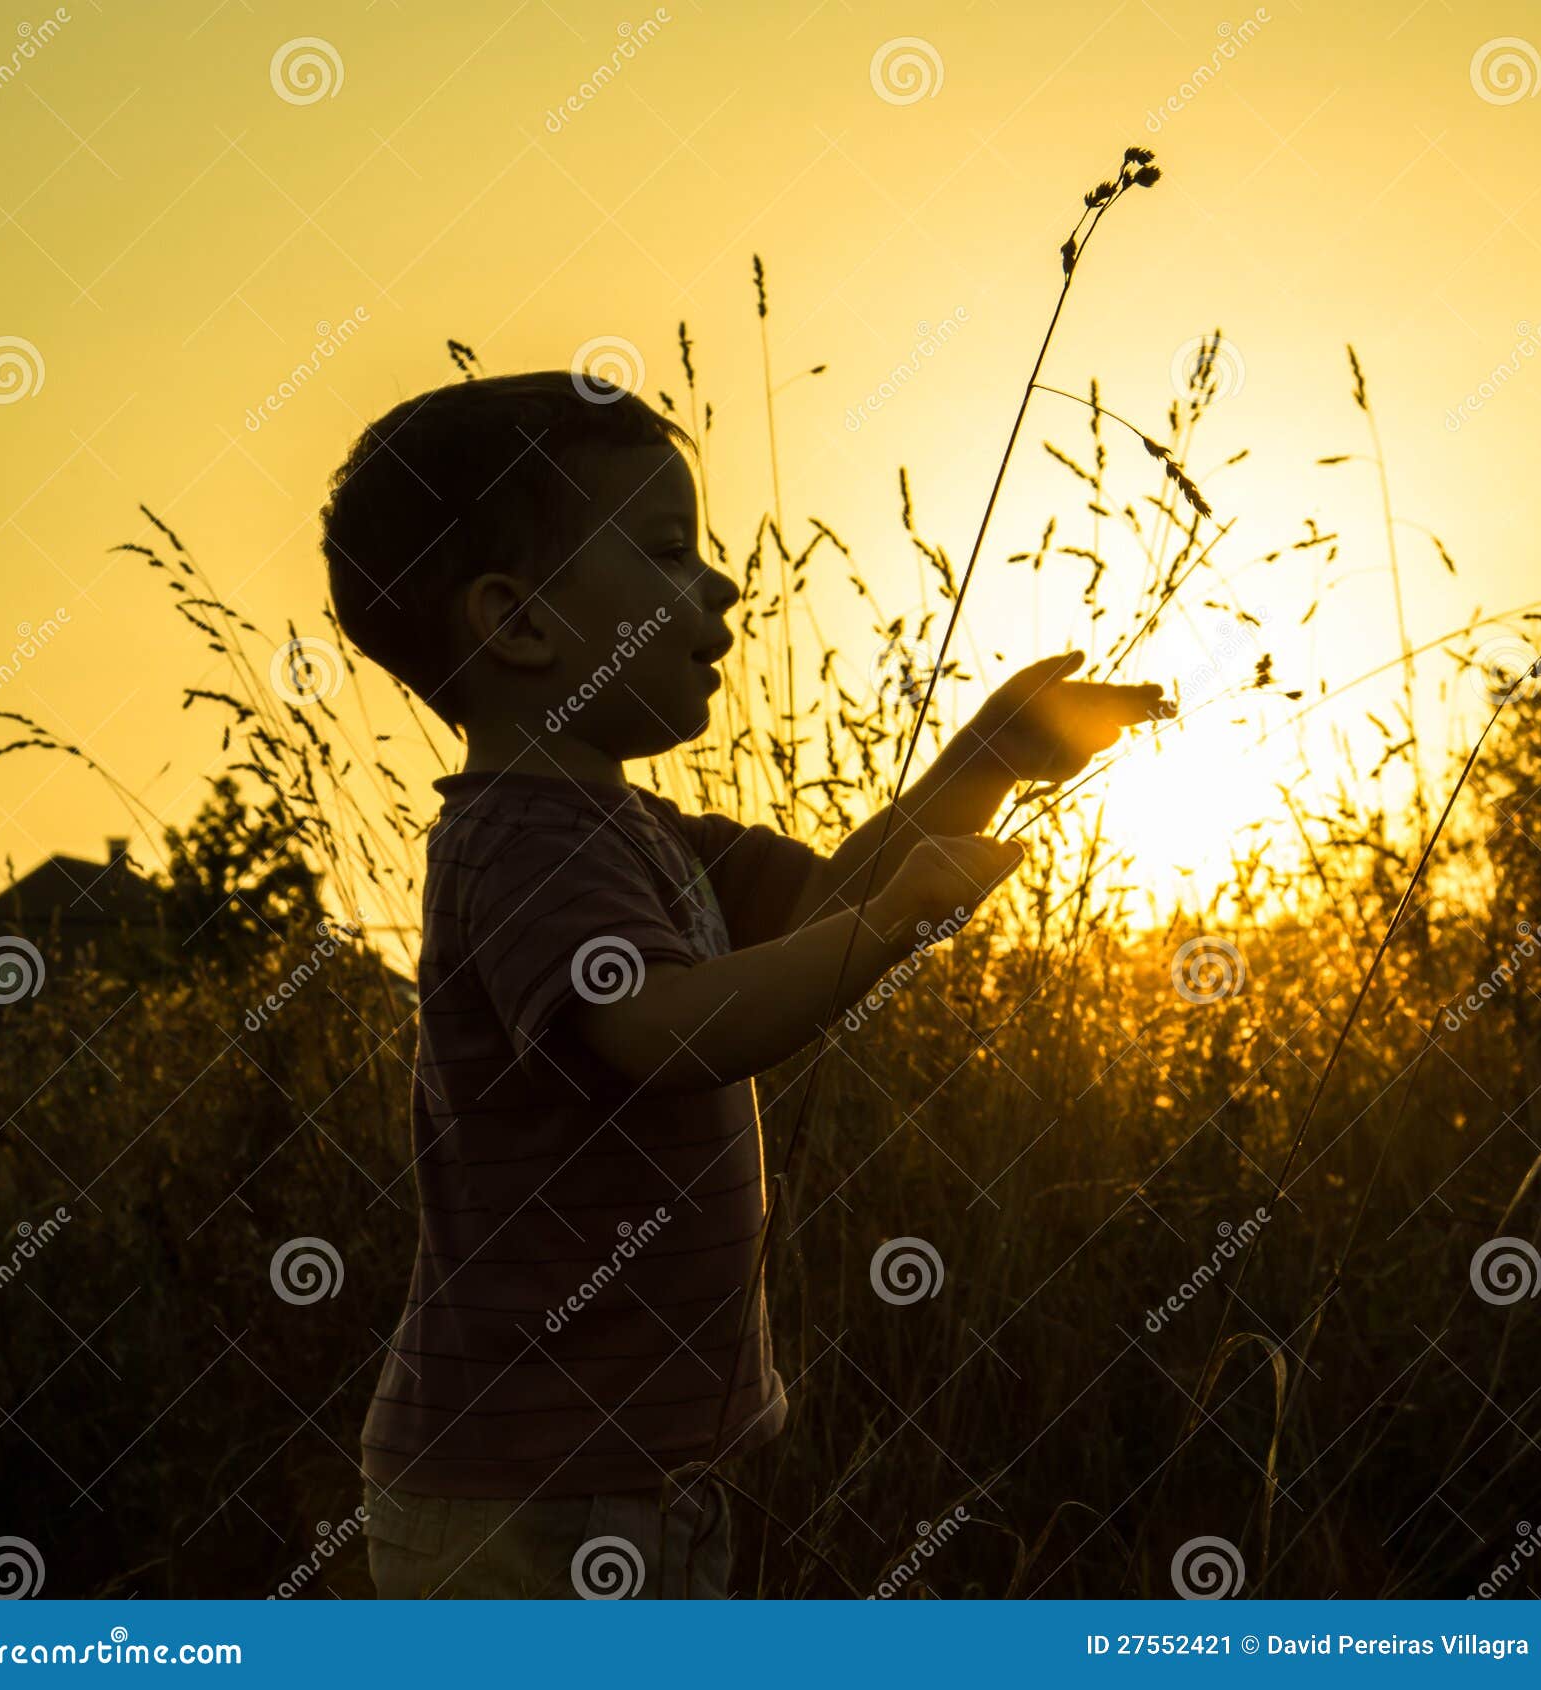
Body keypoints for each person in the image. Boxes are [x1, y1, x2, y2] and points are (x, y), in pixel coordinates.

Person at [318, 370, 1169, 1598]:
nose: (717, 584)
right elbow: (661, 1030)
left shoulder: (636, 831)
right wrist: (891, 923)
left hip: (625, 1468)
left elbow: (825, 902)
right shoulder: (520, 841)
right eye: (667, 552)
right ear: (516, 622)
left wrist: (988, 762)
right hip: (520, 1491)